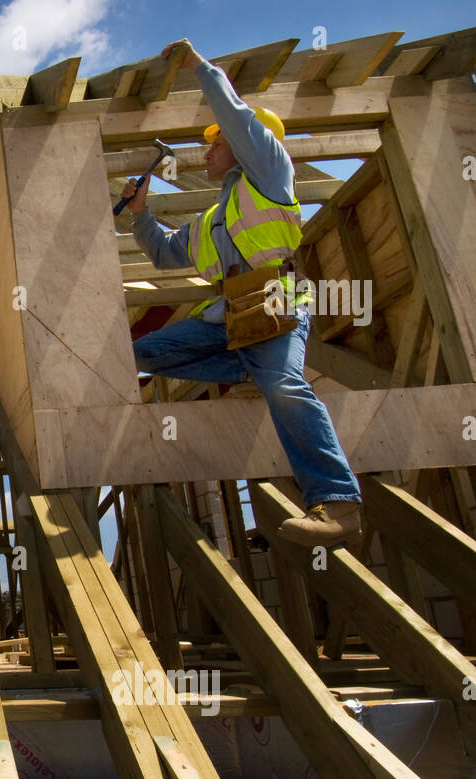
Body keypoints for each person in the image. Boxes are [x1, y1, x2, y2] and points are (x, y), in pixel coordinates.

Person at [123, 39, 362, 546]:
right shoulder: (211, 220)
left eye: (216, 142)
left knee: (285, 386)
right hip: (232, 319)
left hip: (277, 304)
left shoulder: (271, 175)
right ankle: (250, 365)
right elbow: (164, 253)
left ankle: (339, 503)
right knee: (141, 354)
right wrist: (141, 213)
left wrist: (198, 66)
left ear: (243, 143)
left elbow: (235, 117)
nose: (207, 151)